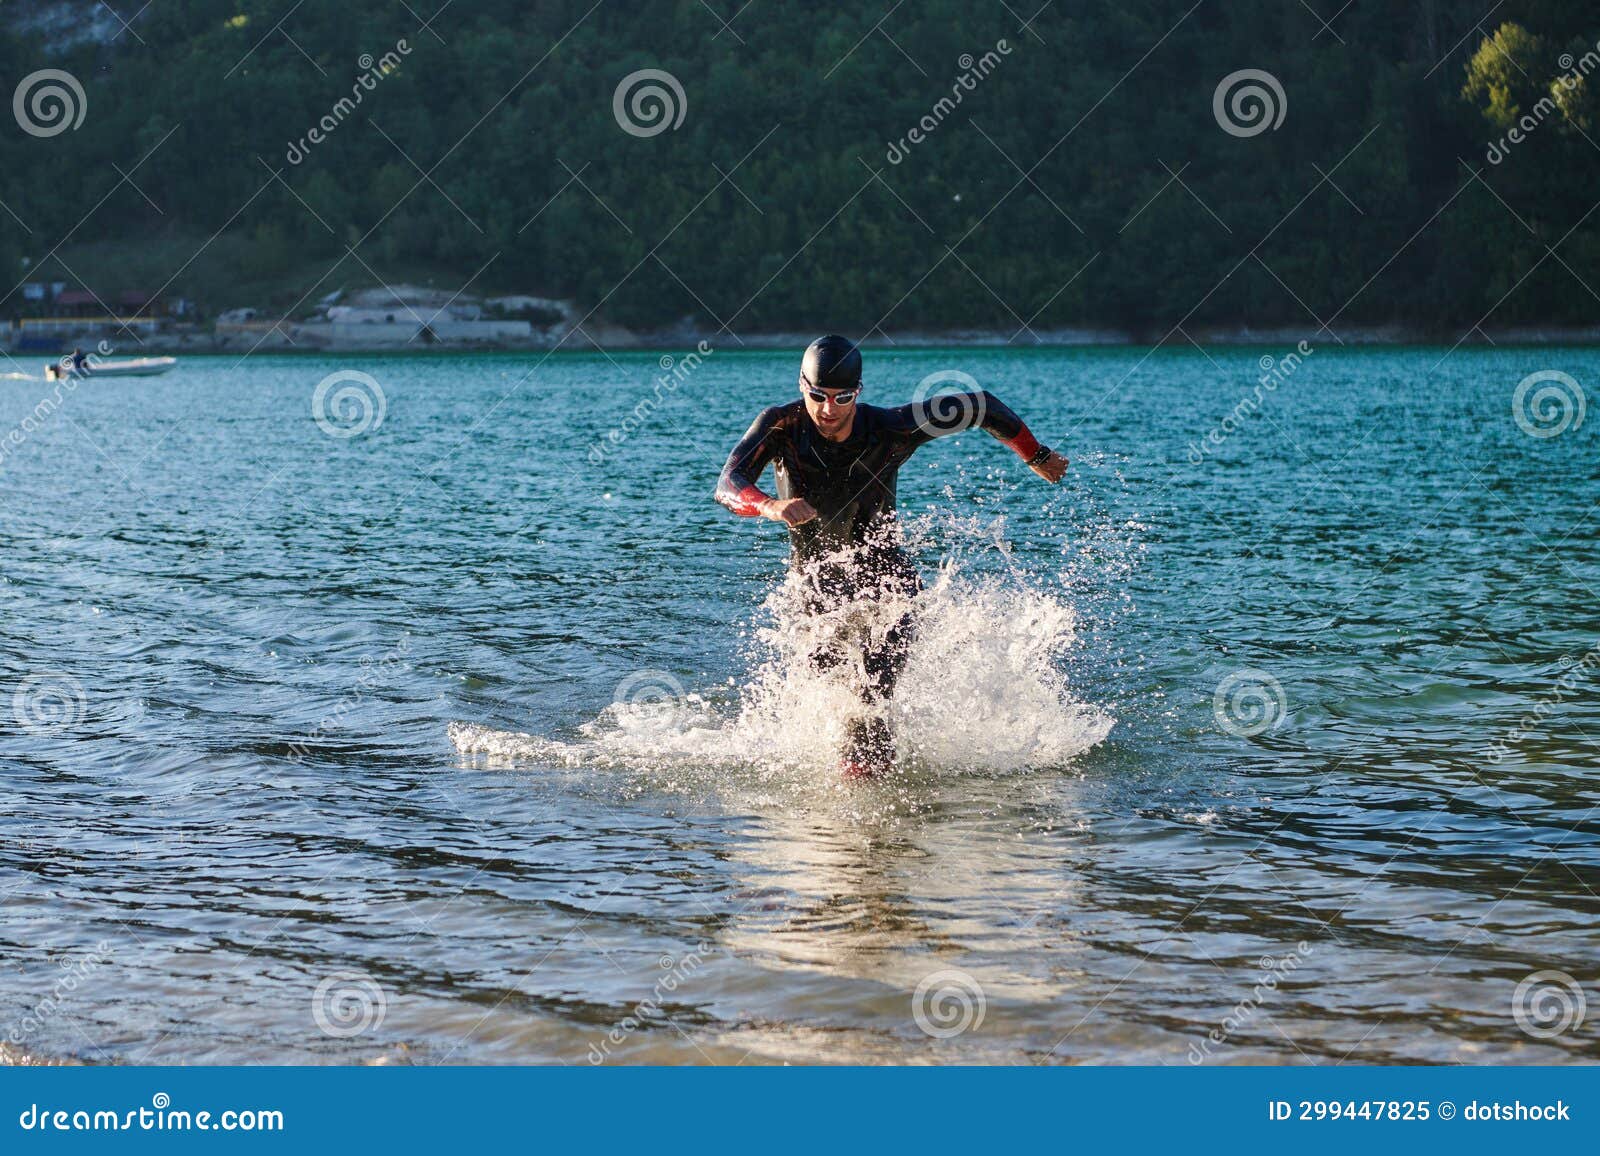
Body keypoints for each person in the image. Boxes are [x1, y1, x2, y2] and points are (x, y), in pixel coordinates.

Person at [714, 334, 1068, 778]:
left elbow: (983, 406)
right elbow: (728, 484)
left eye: (842, 398)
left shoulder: (890, 428)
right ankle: (866, 795)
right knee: (836, 688)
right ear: (801, 385)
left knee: (871, 696)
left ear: (858, 392)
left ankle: (877, 806)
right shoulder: (780, 427)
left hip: (887, 582)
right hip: (816, 583)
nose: (828, 410)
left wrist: (1035, 454)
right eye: (817, 396)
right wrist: (770, 505)